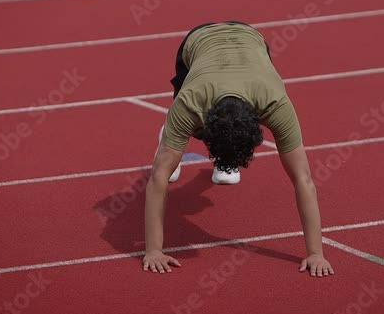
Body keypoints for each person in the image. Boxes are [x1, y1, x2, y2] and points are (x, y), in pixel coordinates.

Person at [142, 21, 334, 277]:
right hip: (198, 41)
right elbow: (158, 178)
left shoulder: (276, 104)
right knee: (171, 154)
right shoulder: (189, 104)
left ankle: (216, 154)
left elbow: (303, 178)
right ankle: (172, 138)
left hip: (251, 38)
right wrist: (153, 250)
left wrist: (315, 253)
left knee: (196, 148)